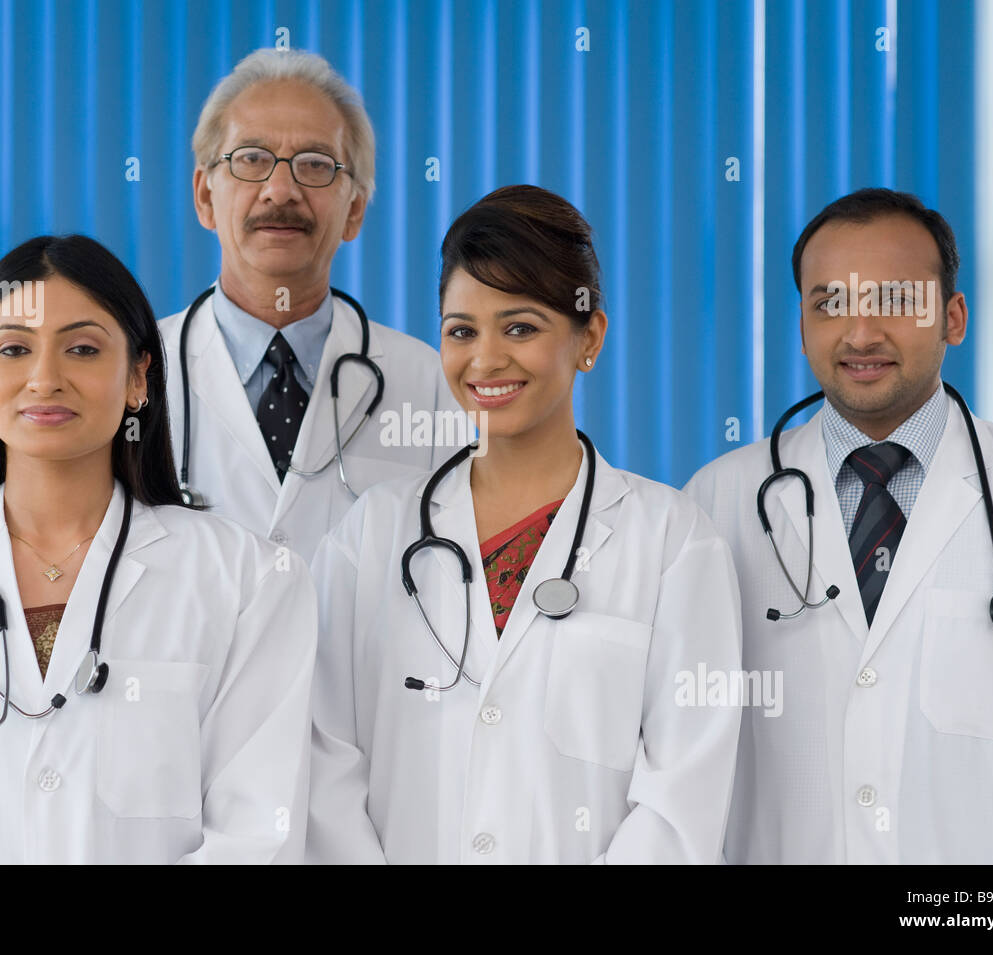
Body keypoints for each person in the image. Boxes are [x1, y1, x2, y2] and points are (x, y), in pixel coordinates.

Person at [0, 235, 316, 864]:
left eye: (82, 348)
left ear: (139, 376)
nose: (45, 378)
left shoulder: (248, 581)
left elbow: (258, 838)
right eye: (13, 349)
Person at [307, 185, 743, 864]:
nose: (485, 360)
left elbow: (681, 798)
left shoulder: (674, 543)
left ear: (588, 336)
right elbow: (324, 762)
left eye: (520, 327)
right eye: (461, 331)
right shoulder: (372, 536)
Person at [685, 188, 993, 864]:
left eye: (896, 302)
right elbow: (683, 760)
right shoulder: (718, 503)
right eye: (829, 303)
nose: (860, 333)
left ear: (954, 316)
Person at [159, 48, 456, 561]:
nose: (281, 190)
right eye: (251, 158)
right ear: (205, 195)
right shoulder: (135, 374)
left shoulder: (428, 385)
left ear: (355, 210)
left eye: (315, 165)